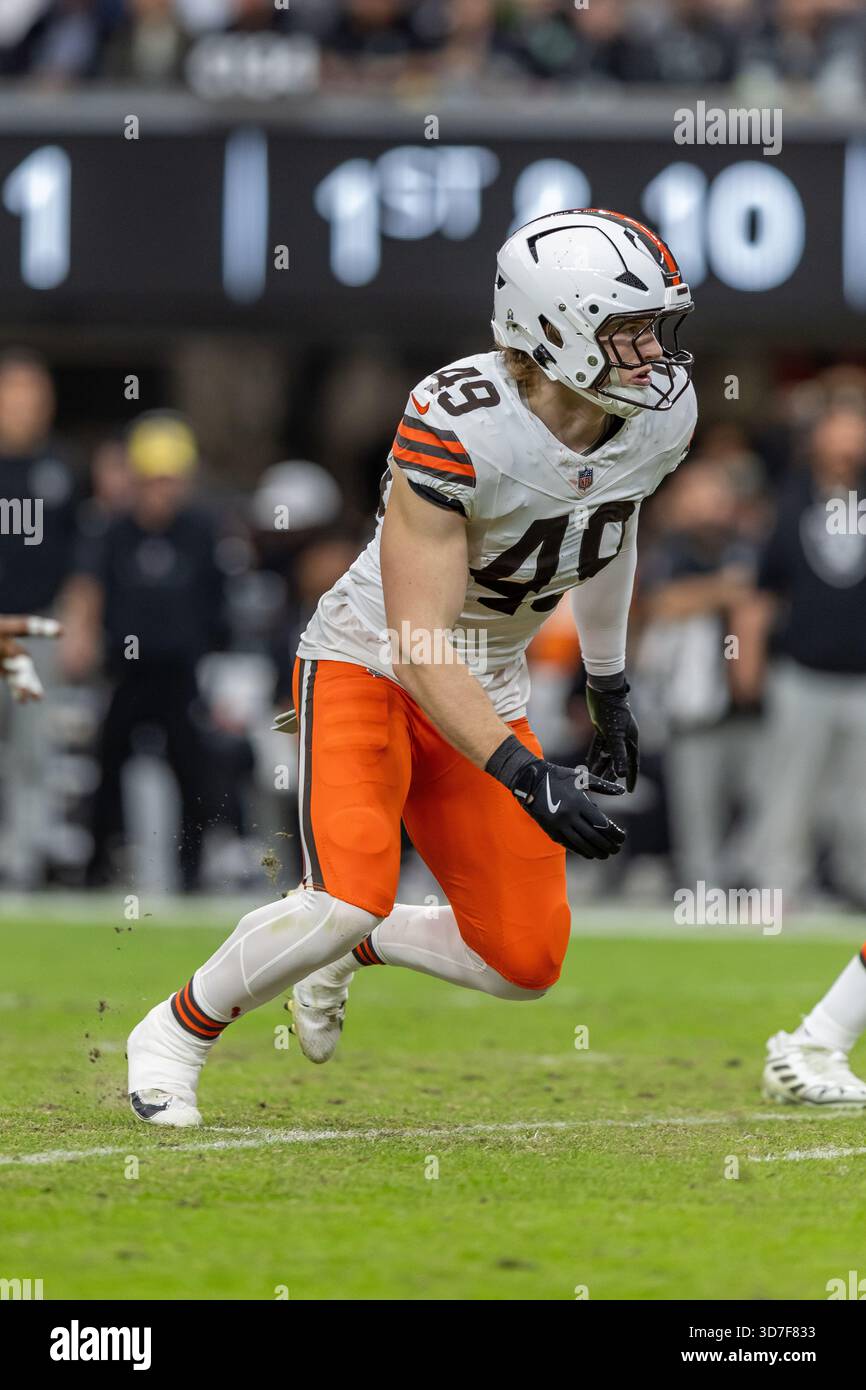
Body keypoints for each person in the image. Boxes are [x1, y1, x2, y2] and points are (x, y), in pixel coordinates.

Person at [127, 208, 697, 1127]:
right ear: (555, 328)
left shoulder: (651, 421)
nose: (650, 353)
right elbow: (420, 644)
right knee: (349, 892)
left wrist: (608, 684)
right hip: (377, 662)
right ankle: (174, 1032)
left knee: (525, 961)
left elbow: (604, 535)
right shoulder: (456, 419)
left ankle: (352, 949)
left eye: (652, 329)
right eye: (626, 329)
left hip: (489, 677)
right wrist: (526, 773)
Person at [63, 411, 227, 892]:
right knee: (108, 768)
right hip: (127, 673)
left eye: (171, 481)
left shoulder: (203, 531)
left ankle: (192, 871)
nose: (163, 492)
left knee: (193, 772)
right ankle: (97, 868)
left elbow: (217, 606)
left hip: (181, 673)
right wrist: (82, 635)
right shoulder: (112, 530)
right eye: (154, 481)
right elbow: (88, 588)